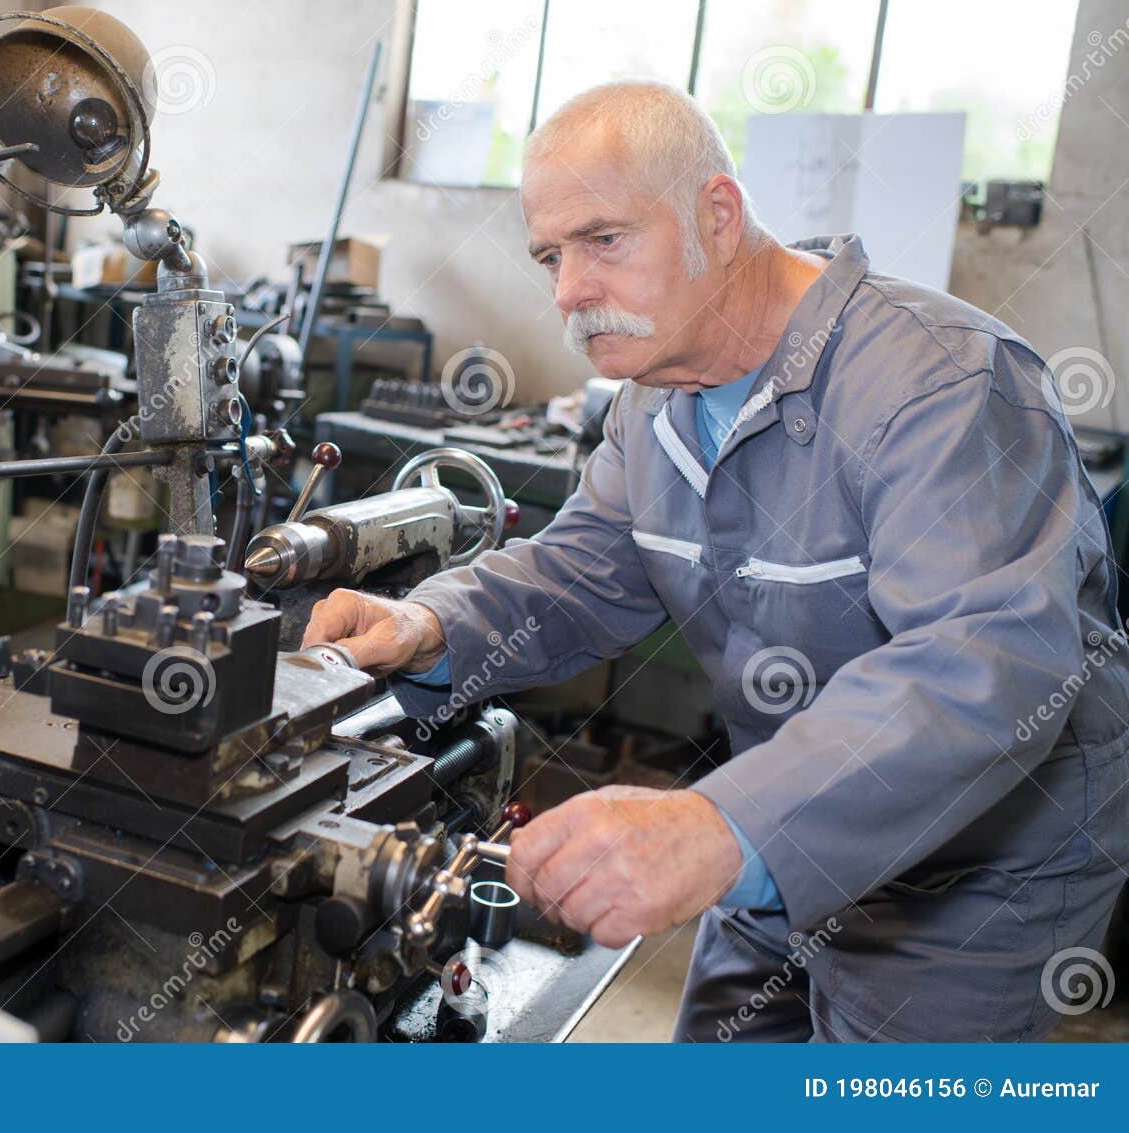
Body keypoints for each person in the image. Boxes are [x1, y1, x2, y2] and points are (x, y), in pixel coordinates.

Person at [301, 81, 1129, 1041]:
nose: (569, 291)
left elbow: (983, 665)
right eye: (550, 257)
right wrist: (429, 622)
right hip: (777, 814)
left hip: (973, 866)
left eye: (603, 240)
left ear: (719, 216)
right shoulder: (656, 402)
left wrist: (720, 825)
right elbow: (584, 570)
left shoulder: (942, 383)